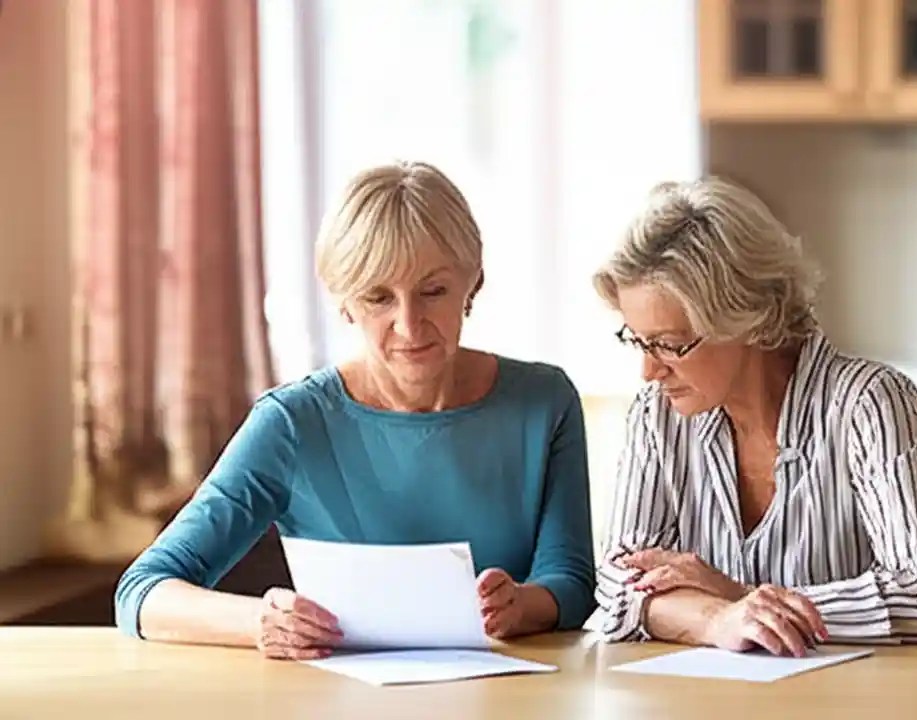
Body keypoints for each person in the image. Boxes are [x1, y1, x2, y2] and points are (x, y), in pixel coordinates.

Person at [114, 161, 596, 659]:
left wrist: (523, 605)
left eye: (433, 291)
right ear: (344, 303)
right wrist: (261, 621)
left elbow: (573, 582)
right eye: (378, 297)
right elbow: (143, 592)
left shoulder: (545, 401)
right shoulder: (291, 423)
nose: (409, 326)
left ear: (472, 283)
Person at [589, 177, 917, 657]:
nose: (648, 370)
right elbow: (620, 590)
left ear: (748, 317)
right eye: (638, 340)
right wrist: (716, 621)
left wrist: (740, 597)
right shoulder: (657, 415)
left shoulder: (868, 403)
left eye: (670, 343)